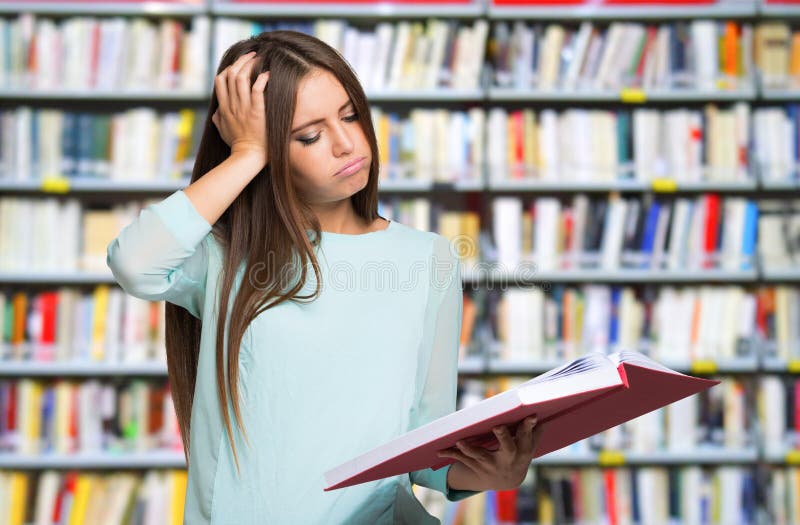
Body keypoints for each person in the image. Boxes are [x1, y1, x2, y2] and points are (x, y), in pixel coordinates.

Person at [106, 30, 540, 524]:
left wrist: (491, 473)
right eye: (308, 135)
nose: (345, 143)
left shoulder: (429, 258)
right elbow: (134, 264)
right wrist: (246, 154)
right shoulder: (223, 255)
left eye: (350, 114)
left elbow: (424, 443)